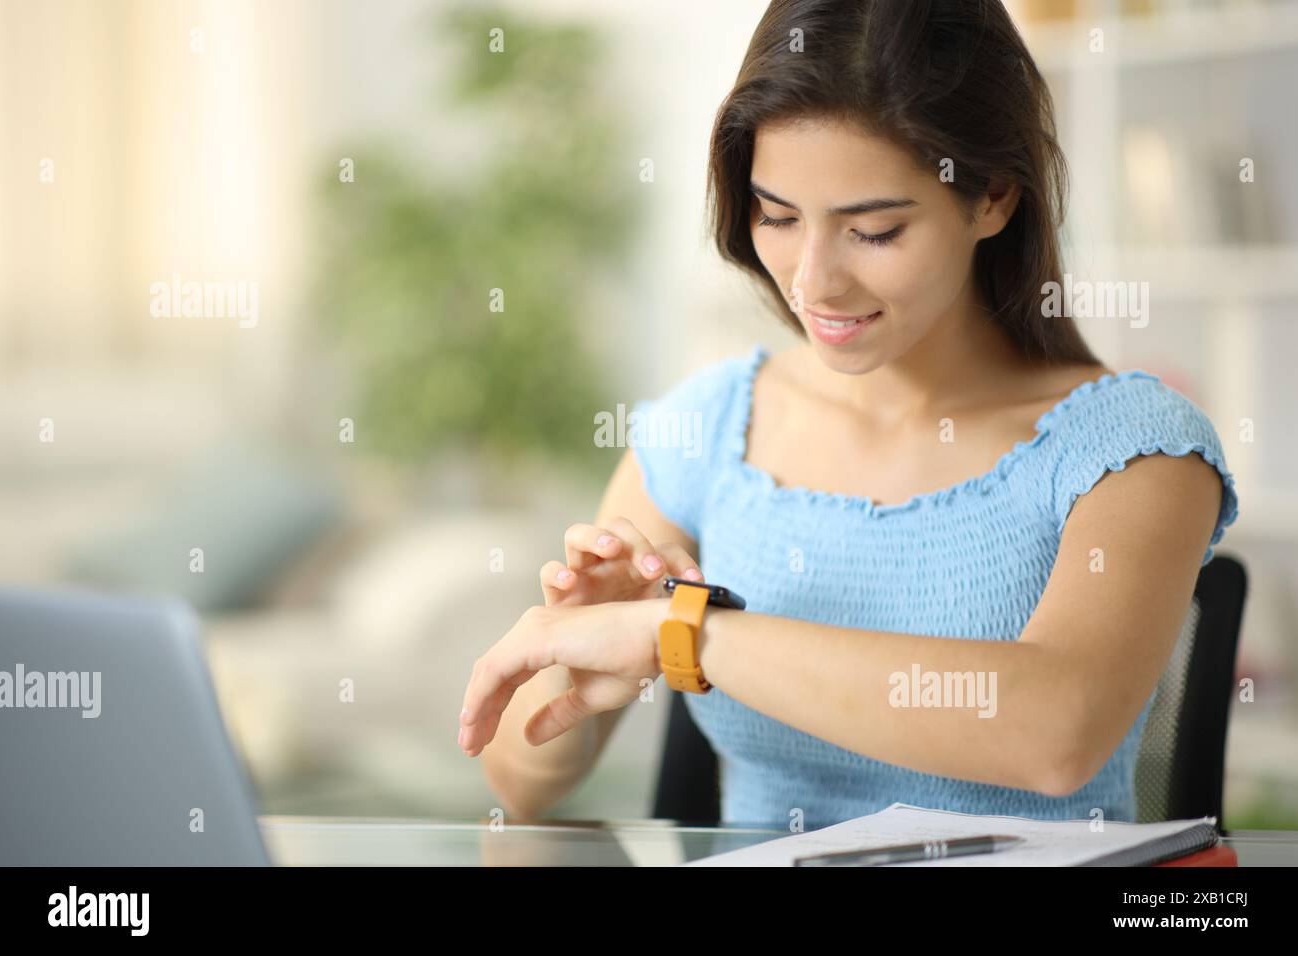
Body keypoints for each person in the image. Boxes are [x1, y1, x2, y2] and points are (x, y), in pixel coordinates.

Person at [457, 0, 1239, 830]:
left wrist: (686, 635)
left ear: (995, 197)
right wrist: (579, 662)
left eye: (873, 230)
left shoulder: (1133, 448)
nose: (813, 282)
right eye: (778, 216)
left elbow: (1057, 731)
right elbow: (525, 785)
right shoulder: (711, 426)